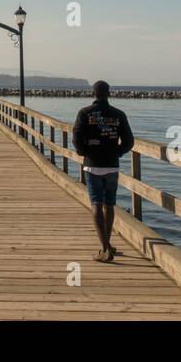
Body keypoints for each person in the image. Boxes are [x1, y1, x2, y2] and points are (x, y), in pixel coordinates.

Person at [71, 80, 134, 262]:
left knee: (96, 205)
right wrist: (118, 152)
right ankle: (107, 244)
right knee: (109, 205)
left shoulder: (84, 113)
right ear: (109, 93)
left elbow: (76, 137)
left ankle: (105, 249)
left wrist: (83, 151)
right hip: (112, 165)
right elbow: (129, 141)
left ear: (93, 93)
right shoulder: (118, 114)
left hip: (92, 164)